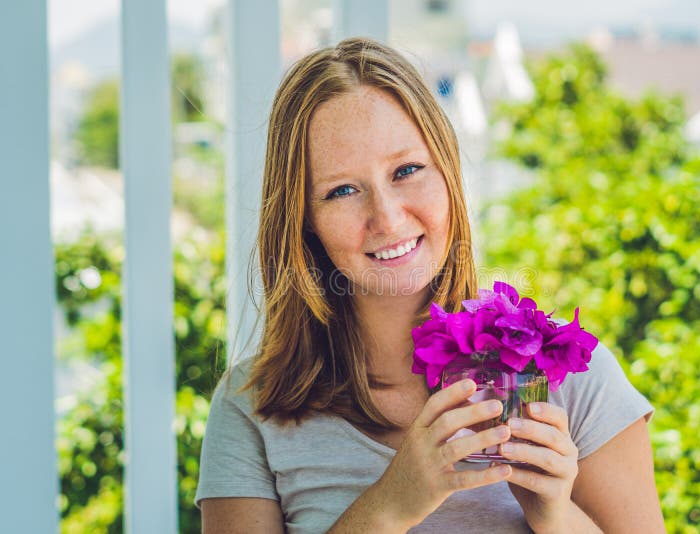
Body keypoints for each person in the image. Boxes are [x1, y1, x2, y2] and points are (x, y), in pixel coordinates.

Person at [196, 37, 665, 533]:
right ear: (304, 220)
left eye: (407, 170)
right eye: (342, 190)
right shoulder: (251, 408)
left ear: (448, 173)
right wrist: (391, 504)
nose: (387, 217)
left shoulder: (573, 379)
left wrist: (555, 516)